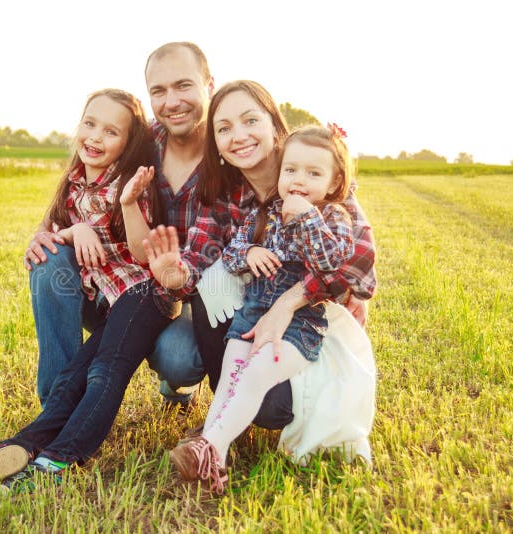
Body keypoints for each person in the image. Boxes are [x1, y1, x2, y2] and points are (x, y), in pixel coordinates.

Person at [0, 89, 178, 495]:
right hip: (110, 299)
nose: (95, 137)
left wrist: (127, 203)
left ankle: (56, 459)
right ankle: (21, 446)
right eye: (90, 123)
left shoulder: (132, 182)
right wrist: (72, 229)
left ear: (128, 142)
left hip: (143, 294)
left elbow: (142, 253)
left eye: (111, 131)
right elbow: (49, 235)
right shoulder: (74, 183)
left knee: (103, 372)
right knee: (77, 374)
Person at [141, 81, 377, 491]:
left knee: (260, 391)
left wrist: (289, 301)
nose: (239, 136)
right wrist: (172, 274)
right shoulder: (238, 200)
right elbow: (204, 262)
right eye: (224, 128)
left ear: (275, 126)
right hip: (247, 316)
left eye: (251, 120)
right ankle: (214, 448)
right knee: (217, 305)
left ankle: (217, 439)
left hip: (304, 325)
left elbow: (351, 264)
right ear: (214, 141)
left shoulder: (323, 195)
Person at [22, 42, 214, 409]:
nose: (171, 101)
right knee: (51, 264)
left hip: (176, 293)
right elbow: (59, 214)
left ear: (208, 83)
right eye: (159, 90)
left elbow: (294, 167)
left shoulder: (229, 144)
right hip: (112, 292)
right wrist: (44, 239)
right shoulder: (140, 143)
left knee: (178, 356)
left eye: (183, 86)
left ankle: (177, 383)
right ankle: (56, 404)